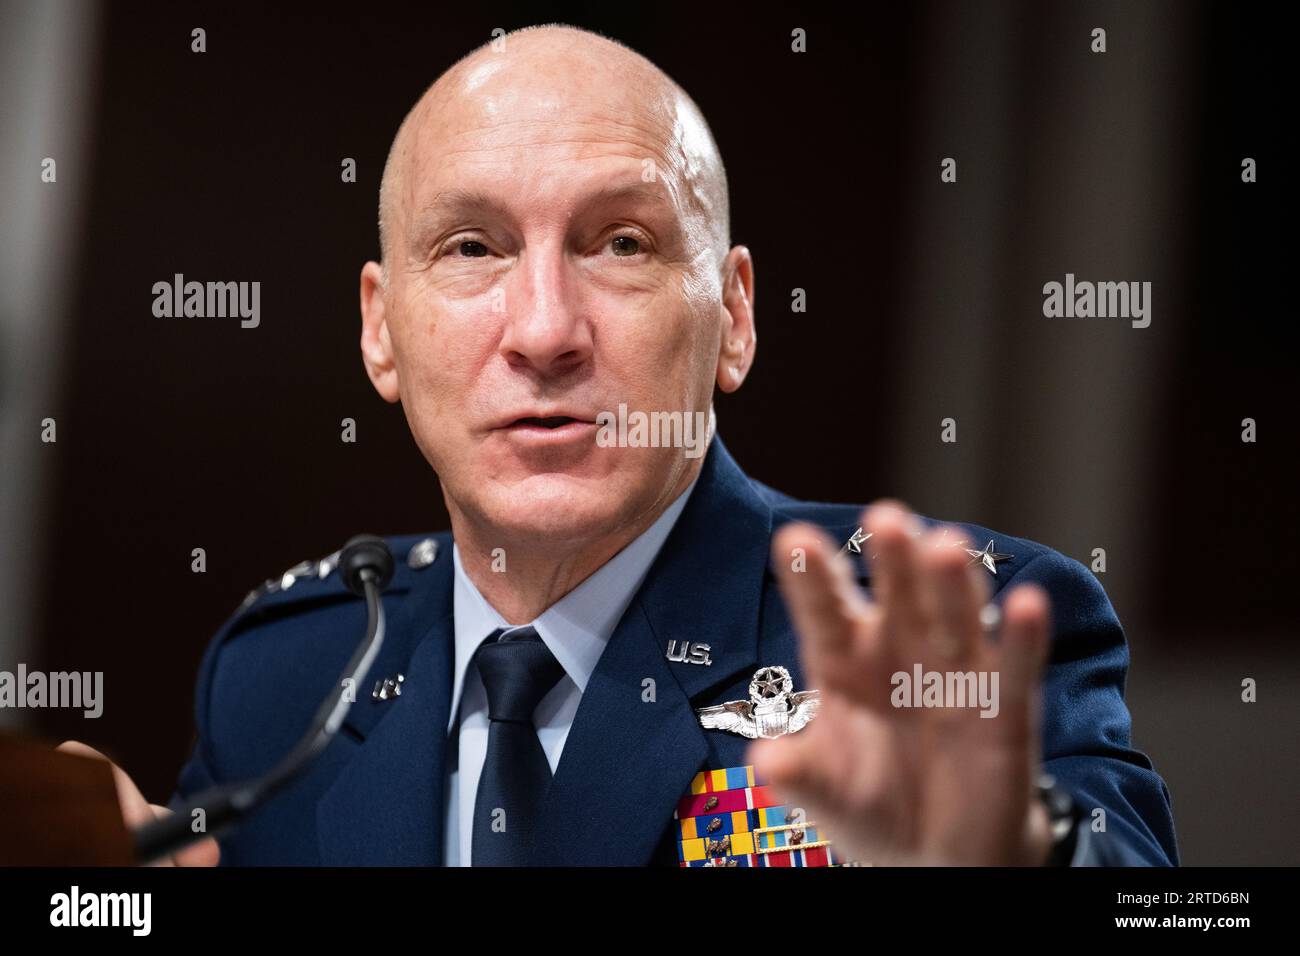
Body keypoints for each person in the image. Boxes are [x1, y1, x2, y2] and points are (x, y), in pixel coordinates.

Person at [64, 23, 1177, 867]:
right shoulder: (283, 679)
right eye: (470, 247)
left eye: (622, 243)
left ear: (733, 314)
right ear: (379, 330)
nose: (544, 329)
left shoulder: (951, 641)